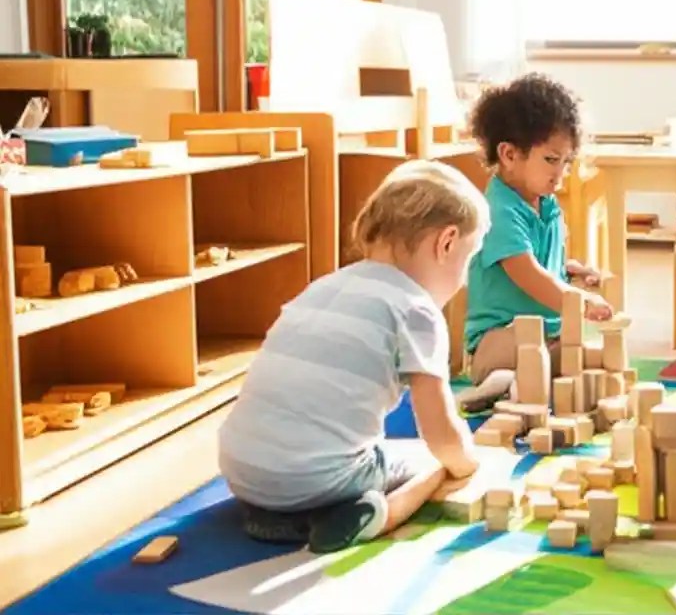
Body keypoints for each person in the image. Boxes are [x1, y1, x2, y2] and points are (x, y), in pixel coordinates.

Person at [217, 160, 488, 554]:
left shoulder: (321, 286)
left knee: (321, 453)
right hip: (316, 477)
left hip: (240, 470)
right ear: (446, 243)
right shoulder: (416, 309)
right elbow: (440, 433)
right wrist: (466, 466)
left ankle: (279, 515)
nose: (462, 279)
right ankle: (375, 515)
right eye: (467, 261)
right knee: (431, 461)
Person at [458, 73, 613, 413]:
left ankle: (517, 387)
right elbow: (526, 272)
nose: (560, 173)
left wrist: (572, 271)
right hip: (499, 341)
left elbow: (546, 264)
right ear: (510, 154)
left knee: (595, 360)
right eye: (550, 160)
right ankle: (499, 385)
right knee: (535, 358)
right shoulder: (498, 209)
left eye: (566, 162)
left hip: (548, 337)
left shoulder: (545, 203)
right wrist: (581, 302)